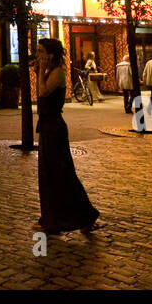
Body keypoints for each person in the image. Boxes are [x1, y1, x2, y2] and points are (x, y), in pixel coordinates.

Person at [33, 38, 100, 235]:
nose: (37, 56)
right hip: (47, 127)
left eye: (40, 51)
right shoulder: (49, 72)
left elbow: (43, 92)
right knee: (49, 175)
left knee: (61, 174)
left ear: (50, 55)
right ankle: (52, 218)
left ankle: (84, 216)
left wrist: (39, 74)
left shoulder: (58, 74)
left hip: (54, 129)